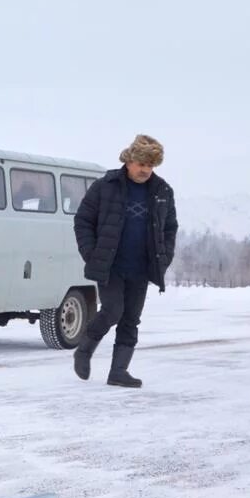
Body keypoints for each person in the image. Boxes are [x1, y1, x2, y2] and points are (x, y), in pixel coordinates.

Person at [72, 134, 178, 388]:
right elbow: (83, 221)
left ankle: (118, 371)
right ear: (129, 161)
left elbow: (170, 228)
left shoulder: (162, 190)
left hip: (142, 267)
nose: (145, 171)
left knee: (131, 318)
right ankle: (84, 350)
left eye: (151, 166)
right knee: (112, 311)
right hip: (110, 265)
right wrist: (91, 253)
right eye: (142, 164)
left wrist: (164, 257)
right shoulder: (105, 186)